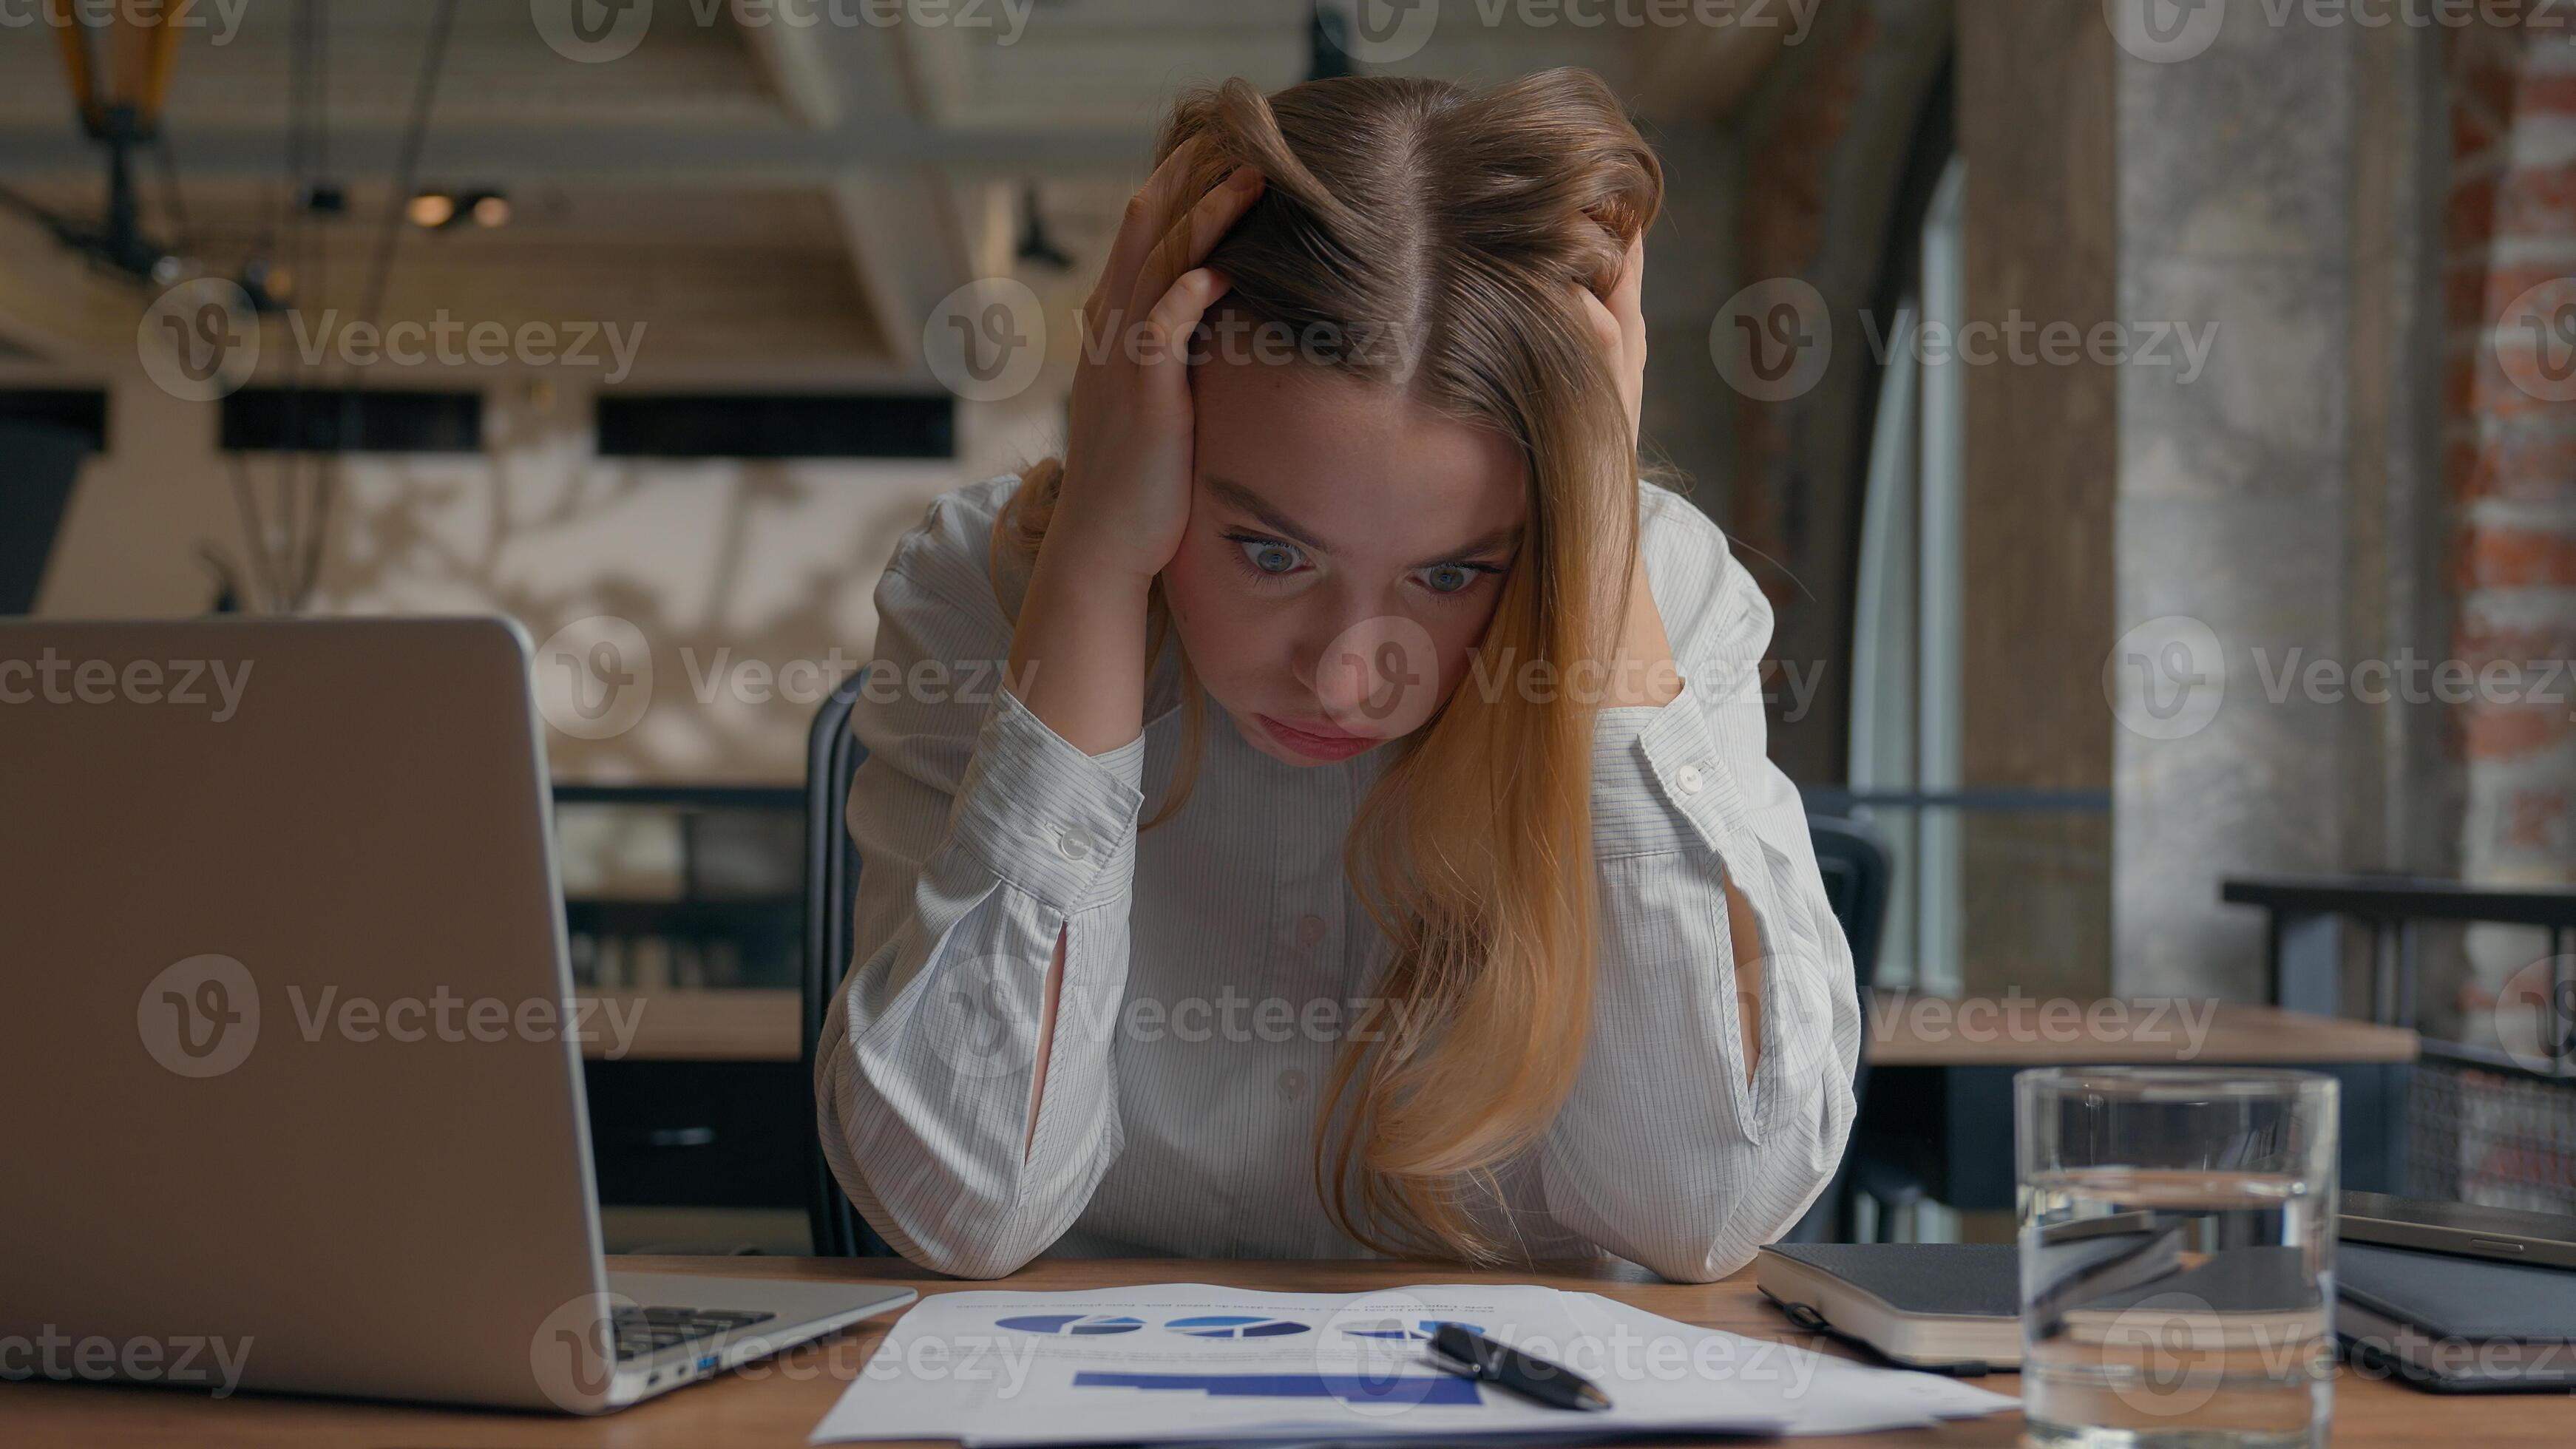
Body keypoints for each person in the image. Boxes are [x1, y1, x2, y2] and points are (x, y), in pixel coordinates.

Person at [815, 68, 1858, 1283]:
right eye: (1268, 550)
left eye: (1456, 574)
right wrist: (1099, 561)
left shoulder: (1661, 597)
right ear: (1148, 425)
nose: (1351, 676)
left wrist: (1597, 544)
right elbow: (959, 1205)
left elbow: (1711, 1210)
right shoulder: (986, 591)